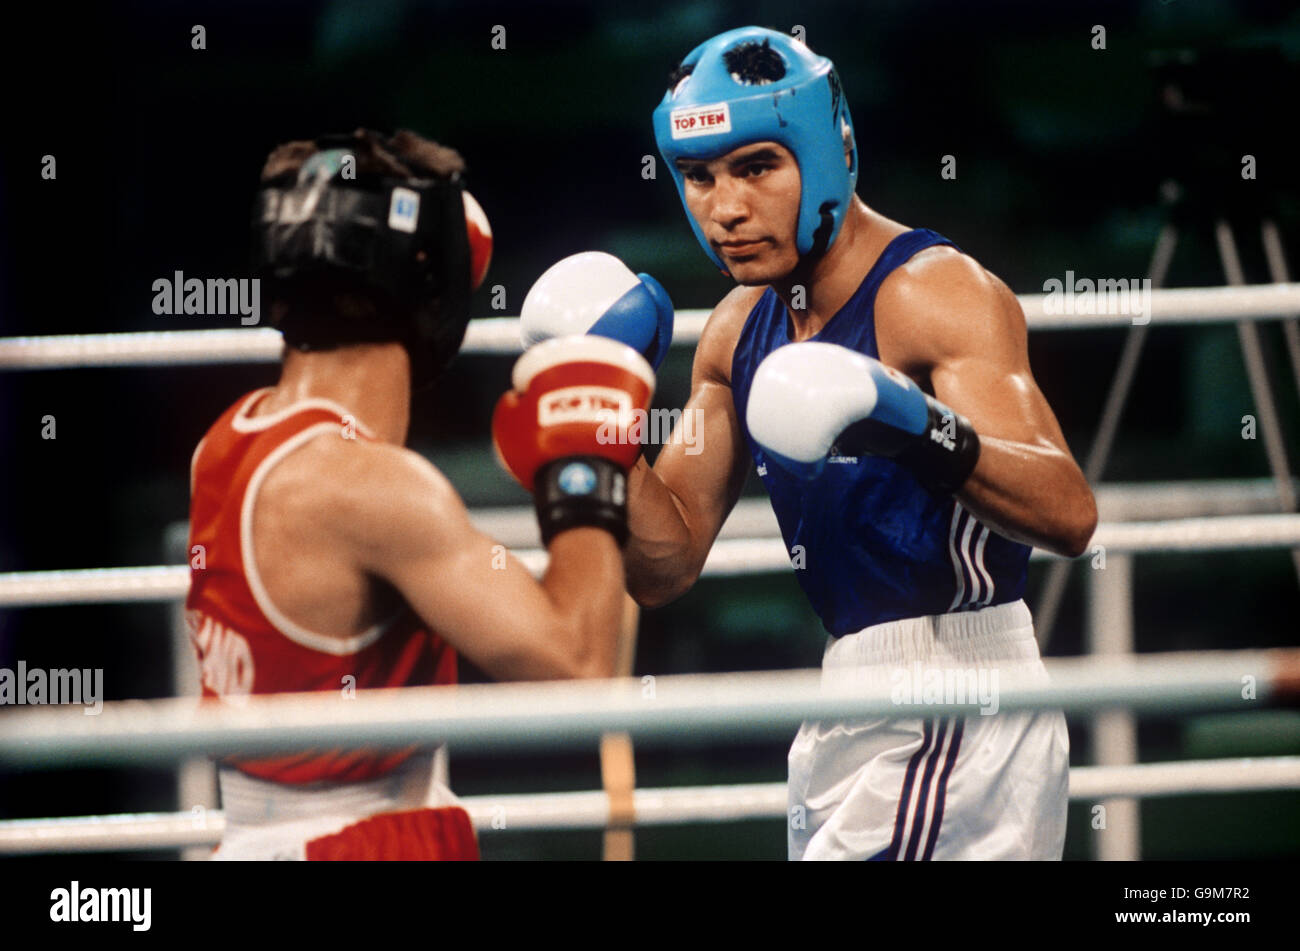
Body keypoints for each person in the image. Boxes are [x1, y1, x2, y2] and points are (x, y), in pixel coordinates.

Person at [521, 27, 1096, 860]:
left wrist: (910, 423)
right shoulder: (735, 331)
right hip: (846, 695)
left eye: (756, 167)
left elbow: (1070, 512)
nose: (725, 207)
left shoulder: (932, 293)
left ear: (828, 152)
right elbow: (664, 564)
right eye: (699, 177)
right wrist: (608, 433)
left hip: (957, 696)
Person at [186, 129, 651, 860]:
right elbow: (578, 667)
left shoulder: (225, 440)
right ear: (430, 280)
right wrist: (585, 461)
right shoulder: (370, 488)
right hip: (357, 843)